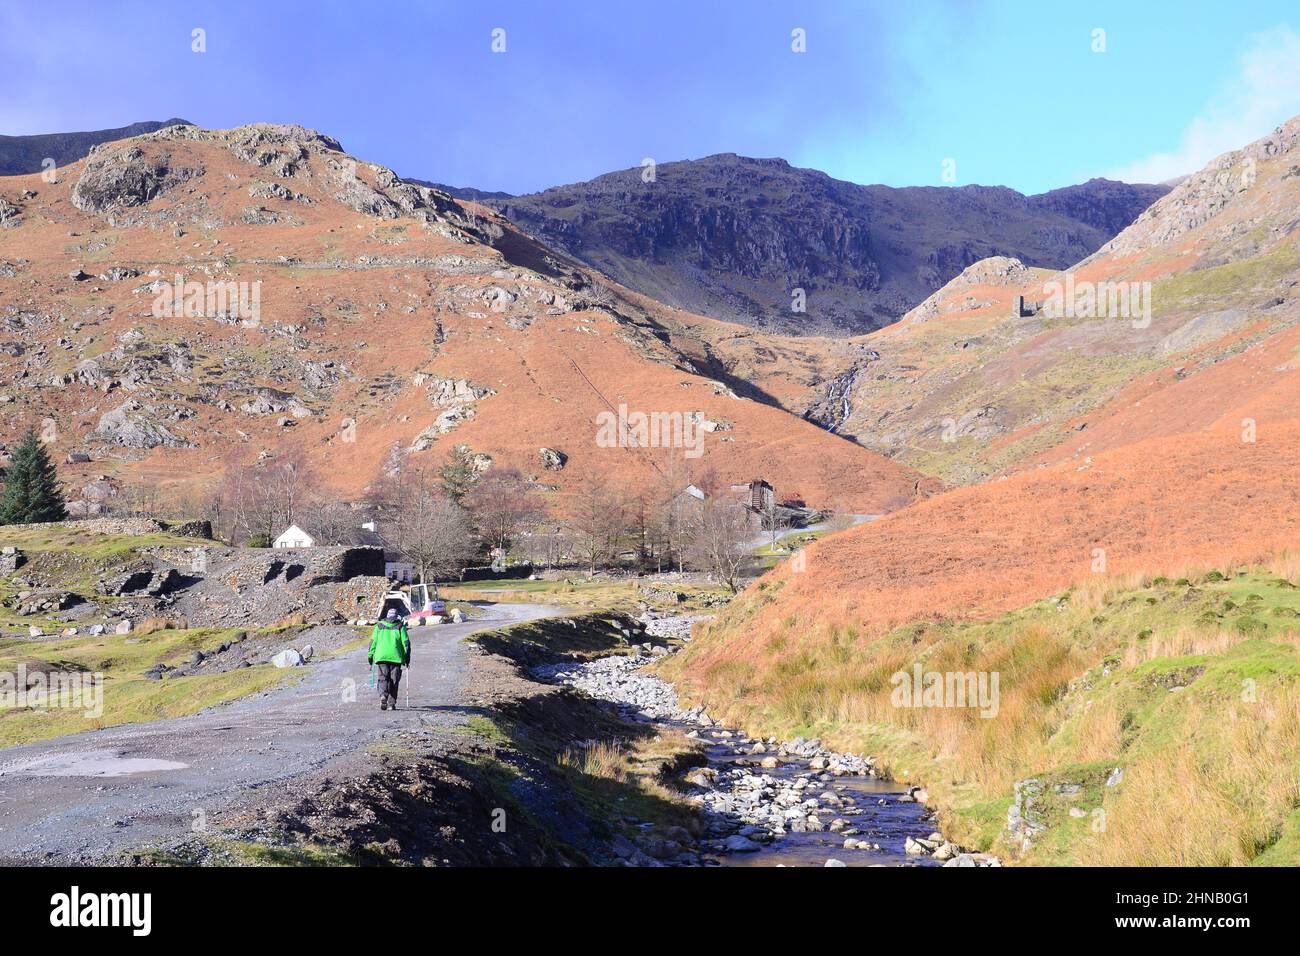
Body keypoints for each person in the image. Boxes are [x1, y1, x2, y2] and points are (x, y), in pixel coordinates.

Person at [368, 609, 411, 710]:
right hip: (396, 657)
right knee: (394, 680)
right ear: (396, 617)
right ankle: (391, 704)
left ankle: (383, 695)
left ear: (387, 616)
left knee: (383, 678)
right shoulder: (400, 626)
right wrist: (407, 659)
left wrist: (370, 657)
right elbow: (406, 644)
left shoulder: (379, 626)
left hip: (381, 657)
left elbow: (372, 643)